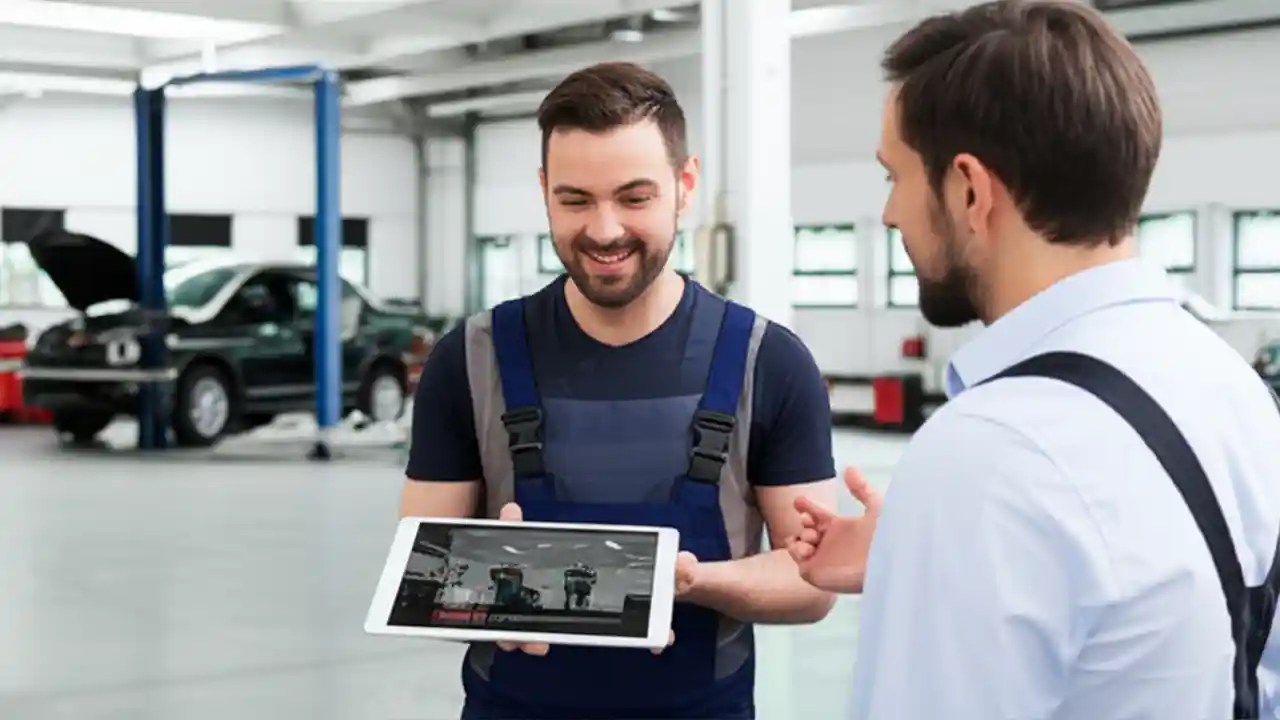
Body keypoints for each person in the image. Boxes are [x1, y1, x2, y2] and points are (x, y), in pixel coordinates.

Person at [787, 1, 1280, 718]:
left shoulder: (989, 452)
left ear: (968, 190)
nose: (889, 213)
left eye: (894, 176)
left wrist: (956, 520)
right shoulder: (1232, 389)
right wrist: (928, 553)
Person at [401, 60, 839, 720]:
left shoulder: (766, 362)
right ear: (545, 190)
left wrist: (691, 580)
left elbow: (813, 580)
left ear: (684, 185)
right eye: (575, 200)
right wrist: (485, 584)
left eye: (634, 198)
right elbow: (421, 571)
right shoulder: (470, 359)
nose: (605, 231)